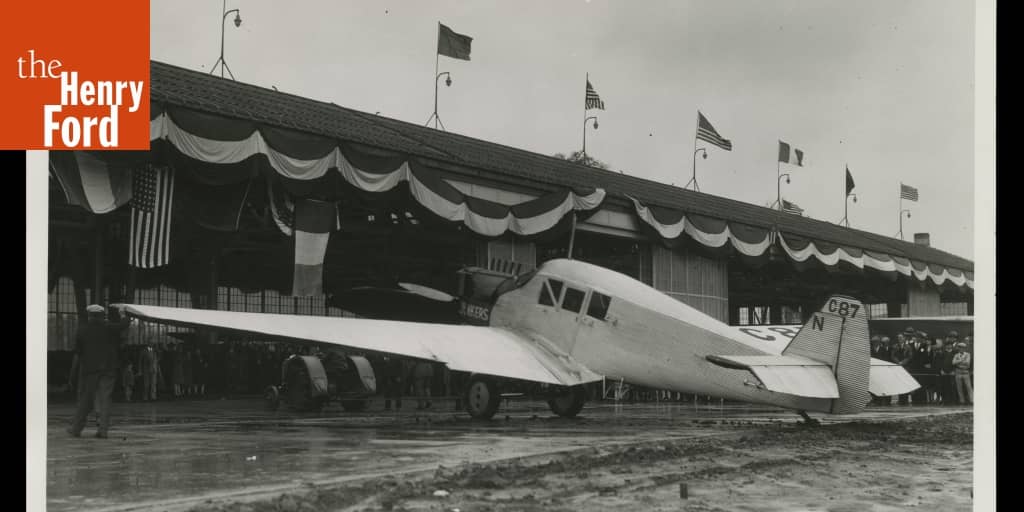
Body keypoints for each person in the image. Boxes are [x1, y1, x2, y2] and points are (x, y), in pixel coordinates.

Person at [67, 304, 130, 439]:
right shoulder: (109, 327)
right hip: (108, 368)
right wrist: (123, 313)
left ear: (89, 316)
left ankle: (76, 429)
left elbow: (77, 353)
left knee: (85, 399)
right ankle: (103, 431)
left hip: (89, 370)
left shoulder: (82, 330)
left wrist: (72, 374)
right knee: (105, 399)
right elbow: (124, 325)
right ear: (102, 315)